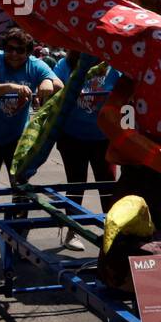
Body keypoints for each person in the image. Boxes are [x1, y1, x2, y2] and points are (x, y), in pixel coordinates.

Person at [0, 27, 61, 239]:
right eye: (10, 49)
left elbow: (58, 83)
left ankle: (18, 231)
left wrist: (47, 82)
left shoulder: (35, 64)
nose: (13, 54)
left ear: (28, 52)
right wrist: (11, 87)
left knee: (20, 188)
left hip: (17, 139)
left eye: (20, 50)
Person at [52, 51, 120, 251]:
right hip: (72, 137)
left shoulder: (113, 66)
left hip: (104, 138)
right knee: (76, 185)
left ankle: (112, 232)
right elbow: (56, 86)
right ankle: (72, 231)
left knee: (108, 186)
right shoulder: (66, 64)